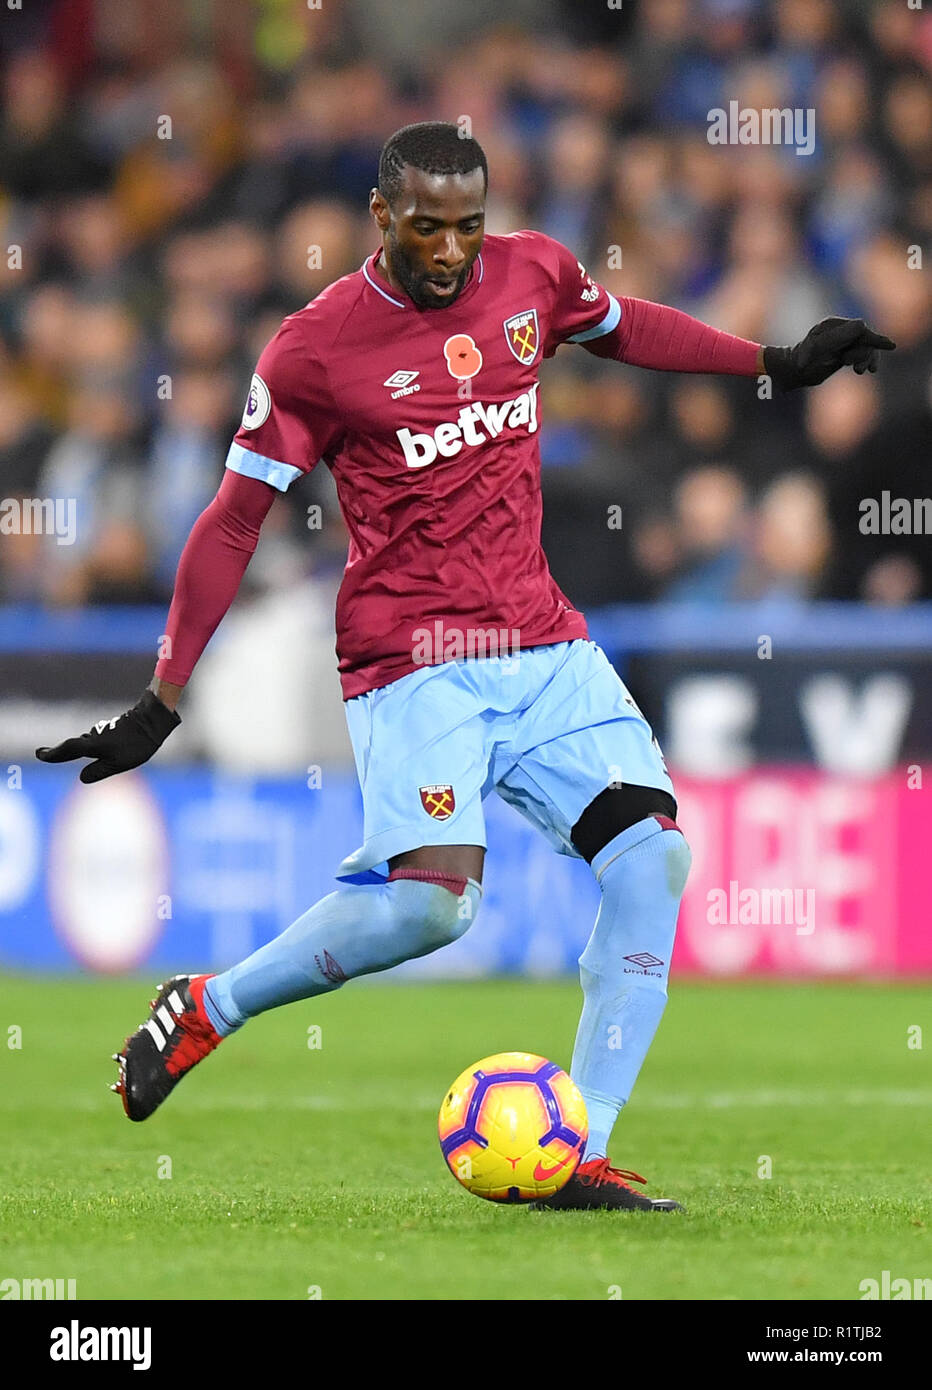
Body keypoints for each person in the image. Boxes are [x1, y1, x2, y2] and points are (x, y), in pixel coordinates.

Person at [36, 122, 894, 1210]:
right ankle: (210, 1005)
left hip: (539, 641)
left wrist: (772, 362)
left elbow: (629, 330)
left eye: (467, 225)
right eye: (427, 227)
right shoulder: (314, 347)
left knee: (651, 865)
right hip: (413, 658)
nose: (450, 249)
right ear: (381, 217)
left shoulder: (533, 272)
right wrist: (163, 699)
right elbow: (230, 522)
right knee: (434, 909)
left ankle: (577, 1149)